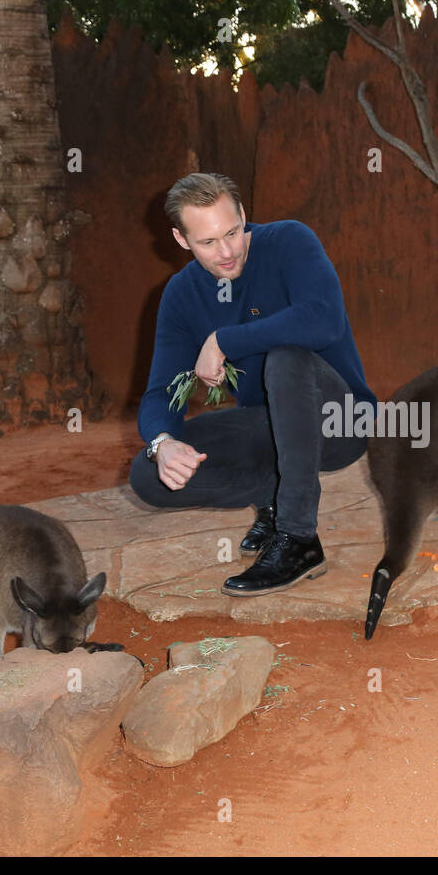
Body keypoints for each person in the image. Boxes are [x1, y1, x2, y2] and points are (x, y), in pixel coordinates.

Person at [129, 172, 376, 596]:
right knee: (147, 474)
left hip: (340, 421)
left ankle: (298, 537)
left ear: (243, 214)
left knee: (287, 357)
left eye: (233, 231)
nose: (227, 251)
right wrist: (164, 443)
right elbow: (160, 395)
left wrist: (223, 339)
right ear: (181, 239)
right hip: (270, 428)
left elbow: (323, 320)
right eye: (208, 242)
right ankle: (275, 500)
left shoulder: (288, 241)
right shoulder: (181, 294)